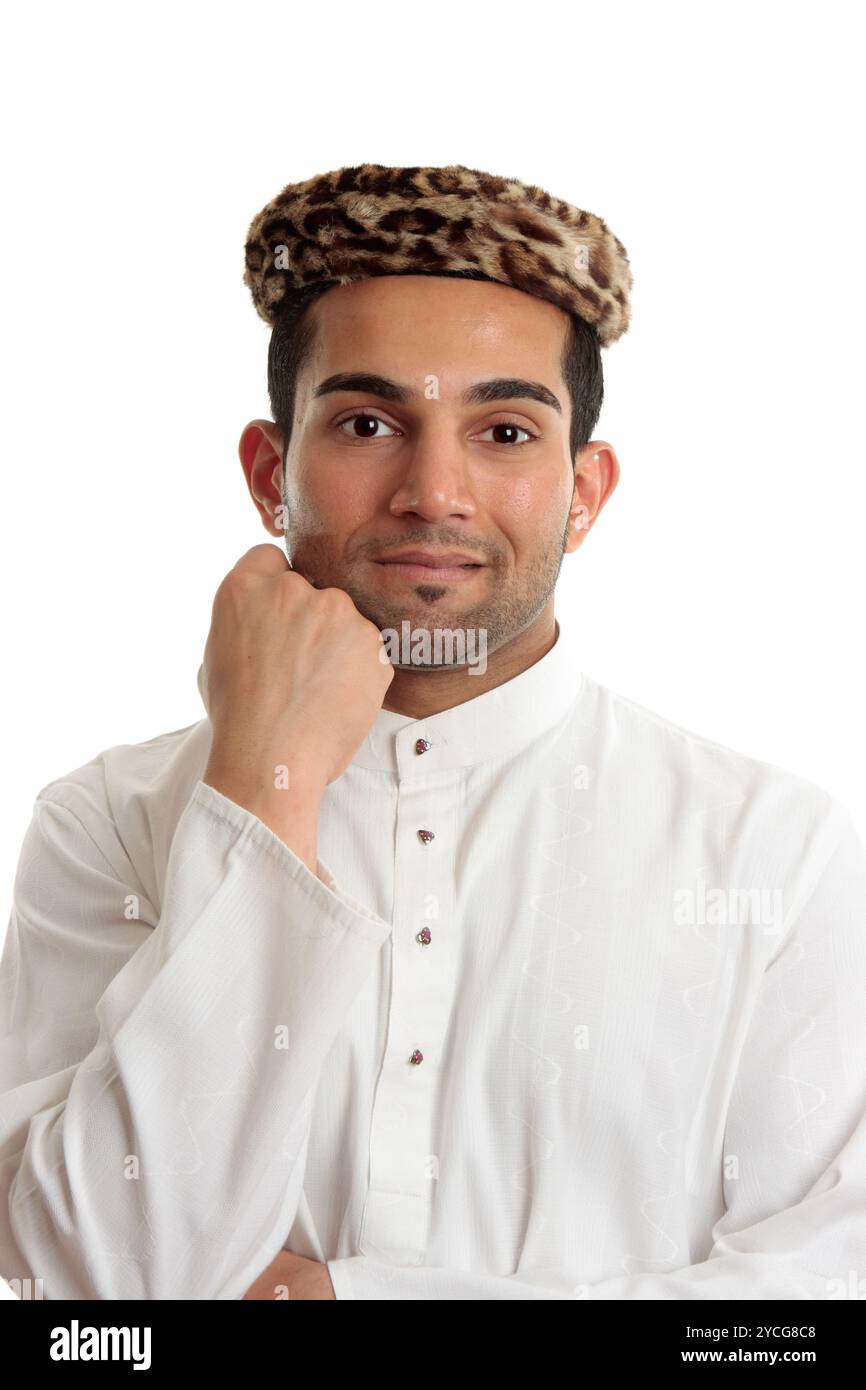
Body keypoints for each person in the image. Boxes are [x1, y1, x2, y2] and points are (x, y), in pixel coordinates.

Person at [1, 164, 864, 1301]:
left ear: (583, 493)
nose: (433, 491)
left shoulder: (778, 857)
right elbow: (97, 1288)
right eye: (368, 422)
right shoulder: (111, 824)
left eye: (503, 430)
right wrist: (263, 790)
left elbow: (802, 1318)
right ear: (271, 473)